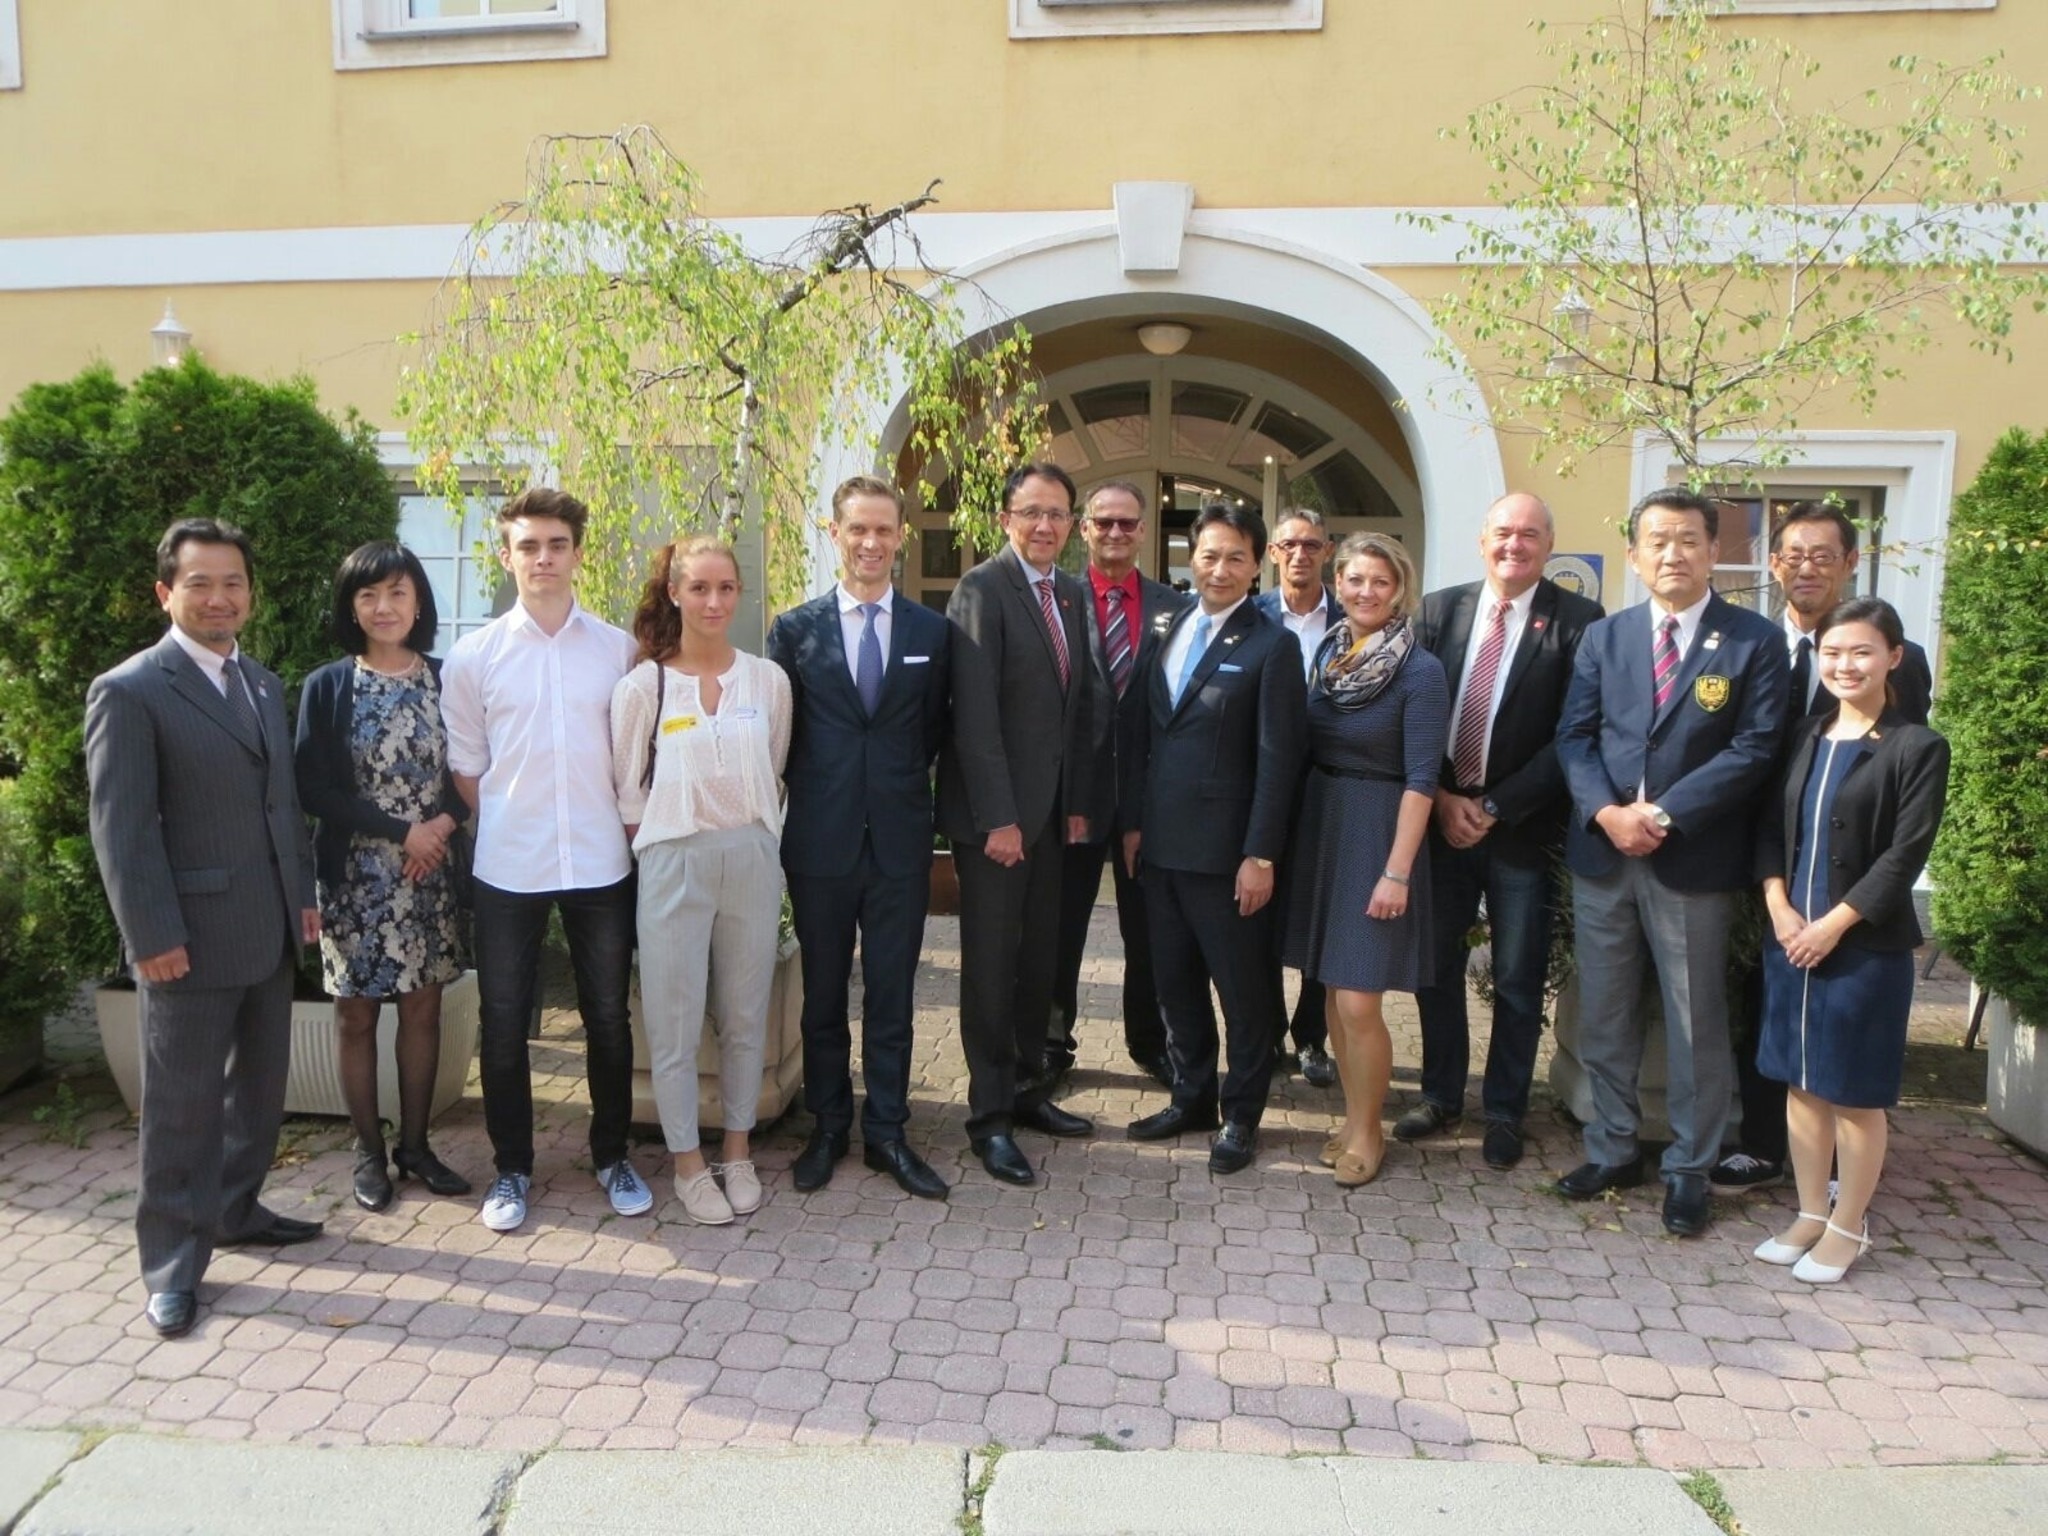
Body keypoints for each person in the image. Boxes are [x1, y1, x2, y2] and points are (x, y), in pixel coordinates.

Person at [85, 518, 324, 1339]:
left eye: (233, 583)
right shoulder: (131, 690)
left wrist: (302, 895)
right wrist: (151, 934)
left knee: (258, 1090)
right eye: (200, 584)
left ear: (249, 594)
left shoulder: (260, 682)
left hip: (267, 926)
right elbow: (123, 828)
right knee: (181, 1109)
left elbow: (281, 804)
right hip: (185, 938)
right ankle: (171, 1266)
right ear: (166, 592)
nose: (219, 598)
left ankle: (236, 1211)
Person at [1555, 488, 1789, 1237]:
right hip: (1604, 856)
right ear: (1633, 554)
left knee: (1695, 1023)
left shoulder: (1754, 640)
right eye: (1656, 540)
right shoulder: (1606, 637)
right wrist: (1607, 813)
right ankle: (1613, 1148)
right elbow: (1575, 738)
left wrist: (1661, 814)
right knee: (1606, 1012)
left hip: (1692, 857)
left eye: (1688, 539)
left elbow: (1755, 748)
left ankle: (1689, 1168)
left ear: (1714, 550)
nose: (1672, 554)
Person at [443, 487, 649, 1234]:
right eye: (528, 546)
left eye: (556, 545)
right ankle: (513, 1168)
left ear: (577, 554)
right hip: (510, 864)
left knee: (608, 1019)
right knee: (503, 1024)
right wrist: (513, 814)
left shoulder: (618, 651)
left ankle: (612, 1155)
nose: (543, 558)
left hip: (600, 861)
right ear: (507, 557)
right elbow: (469, 767)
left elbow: (632, 754)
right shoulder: (474, 658)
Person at [1713, 500, 1934, 1194]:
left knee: (1845, 1033)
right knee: (1766, 1010)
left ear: (1850, 563)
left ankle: (1843, 1174)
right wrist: (1773, 890)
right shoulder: (1751, 644)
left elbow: (1898, 783)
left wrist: (1842, 912)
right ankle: (1763, 1146)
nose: (1806, 567)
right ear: (1774, 563)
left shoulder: (1898, 665)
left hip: (1852, 882)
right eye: (1793, 555)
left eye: (1823, 555)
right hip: (1765, 863)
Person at [1750, 597, 1948, 1284]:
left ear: (1893, 657)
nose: (1845, 665)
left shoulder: (1917, 747)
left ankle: (1848, 1225)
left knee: (1854, 1092)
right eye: (1832, 652)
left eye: (1862, 651)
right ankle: (1811, 1212)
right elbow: (1769, 830)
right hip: (1790, 940)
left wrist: (1831, 926)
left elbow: (1903, 856)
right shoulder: (1805, 734)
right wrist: (1778, 907)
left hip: (1862, 948)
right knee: (1802, 1085)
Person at [1404, 493, 1603, 1171]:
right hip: (1441, 825)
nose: (1513, 545)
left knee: (1518, 977)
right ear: (1482, 539)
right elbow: (1414, 713)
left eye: (1528, 534)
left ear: (1548, 544)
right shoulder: (1438, 610)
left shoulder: (1579, 622)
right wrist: (1440, 798)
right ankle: (1440, 1096)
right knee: (1435, 969)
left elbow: (1573, 733)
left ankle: (1506, 1110)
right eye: (1503, 533)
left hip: (1522, 829)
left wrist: (1492, 806)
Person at [768, 477, 952, 1201]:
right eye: (858, 529)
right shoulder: (794, 630)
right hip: (820, 841)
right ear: (835, 534)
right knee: (822, 995)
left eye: (883, 530)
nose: (871, 543)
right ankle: (827, 1127)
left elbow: (931, 733)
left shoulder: (931, 632)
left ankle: (887, 1132)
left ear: (901, 536)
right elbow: (781, 738)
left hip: (900, 842)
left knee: (892, 994)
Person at [612, 534, 791, 1225]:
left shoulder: (767, 682)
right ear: (674, 594)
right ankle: (688, 1163)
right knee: (675, 1023)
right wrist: (666, 847)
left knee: (745, 1015)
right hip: (673, 861)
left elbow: (774, 765)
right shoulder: (643, 688)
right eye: (699, 588)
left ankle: (737, 1152)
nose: (713, 602)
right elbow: (628, 792)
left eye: (725, 588)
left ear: (738, 594)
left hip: (750, 857)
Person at [1122, 503, 1305, 1172]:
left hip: (1229, 858)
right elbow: (1144, 734)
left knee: (1243, 993)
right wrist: (1134, 824)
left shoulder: (1272, 646)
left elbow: (1279, 760)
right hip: (1161, 849)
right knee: (1174, 985)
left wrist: (1261, 854)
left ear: (1257, 565)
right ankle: (1191, 1095)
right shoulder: (1170, 626)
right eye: (1208, 555)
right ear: (1191, 558)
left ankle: (1241, 1115)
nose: (1219, 569)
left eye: (1235, 557)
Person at [937, 462, 1102, 1187]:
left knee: (1039, 964)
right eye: (1031, 512)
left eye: (1057, 513)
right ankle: (990, 1118)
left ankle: (1030, 1089)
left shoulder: (1069, 592)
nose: (1044, 525)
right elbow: (974, 717)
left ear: (1072, 524)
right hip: (998, 827)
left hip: (1051, 821)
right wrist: (999, 818)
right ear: (1005, 519)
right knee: (993, 971)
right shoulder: (982, 589)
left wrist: (1074, 803)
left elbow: (1074, 711)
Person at [295, 542, 472, 1214]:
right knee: (356, 1014)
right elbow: (313, 786)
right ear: (351, 607)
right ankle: (369, 1153)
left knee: (423, 1009)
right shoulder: (328, 685)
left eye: (397, 592)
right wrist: (403, 832)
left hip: (429, 873)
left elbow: (473, 770)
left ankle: (417, 1147)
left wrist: (440, 828)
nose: (383, 606)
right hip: (356, 878)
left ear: (418, 601)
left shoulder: (448, 679)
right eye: (367, 595)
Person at [1283, 532, 1448, 1188]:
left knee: (1358, 1000)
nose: (1366, 591)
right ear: (1339, 583)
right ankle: (1353, 1120)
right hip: (1322, 826)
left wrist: (1397, 871)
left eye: (1381, 581)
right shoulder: (1330, 654)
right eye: (1355, 579)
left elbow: (1423, 779)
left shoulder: (1420, 671)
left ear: (1400, 589)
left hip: (1378, 833)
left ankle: (1371, 1130)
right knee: (1330, 987)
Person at [1052, 479, 1190, 1090]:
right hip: (1073, 802)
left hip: (1149, 802)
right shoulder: (1058, 600)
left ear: (1143, 530)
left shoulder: (1175, 608)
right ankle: (1052, 1043)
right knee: (1061, 929)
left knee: (1150, 932)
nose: (1115, 532)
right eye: (1103, 521)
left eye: (1126, 523)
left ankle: (1150, 1042)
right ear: (1084, 528)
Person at [1255, 508, 1344, 1088]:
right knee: (1259, 916)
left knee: (1321, 915)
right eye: (1289, 545)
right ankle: (1266, 1035)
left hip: (1331, 788)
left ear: (1328, 552)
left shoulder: (1355, 618)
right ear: (1272, 553)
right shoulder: (1252, 616)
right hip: (1263, 788)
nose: (1300, 555)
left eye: (1311, 545)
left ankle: (1311, 1036)